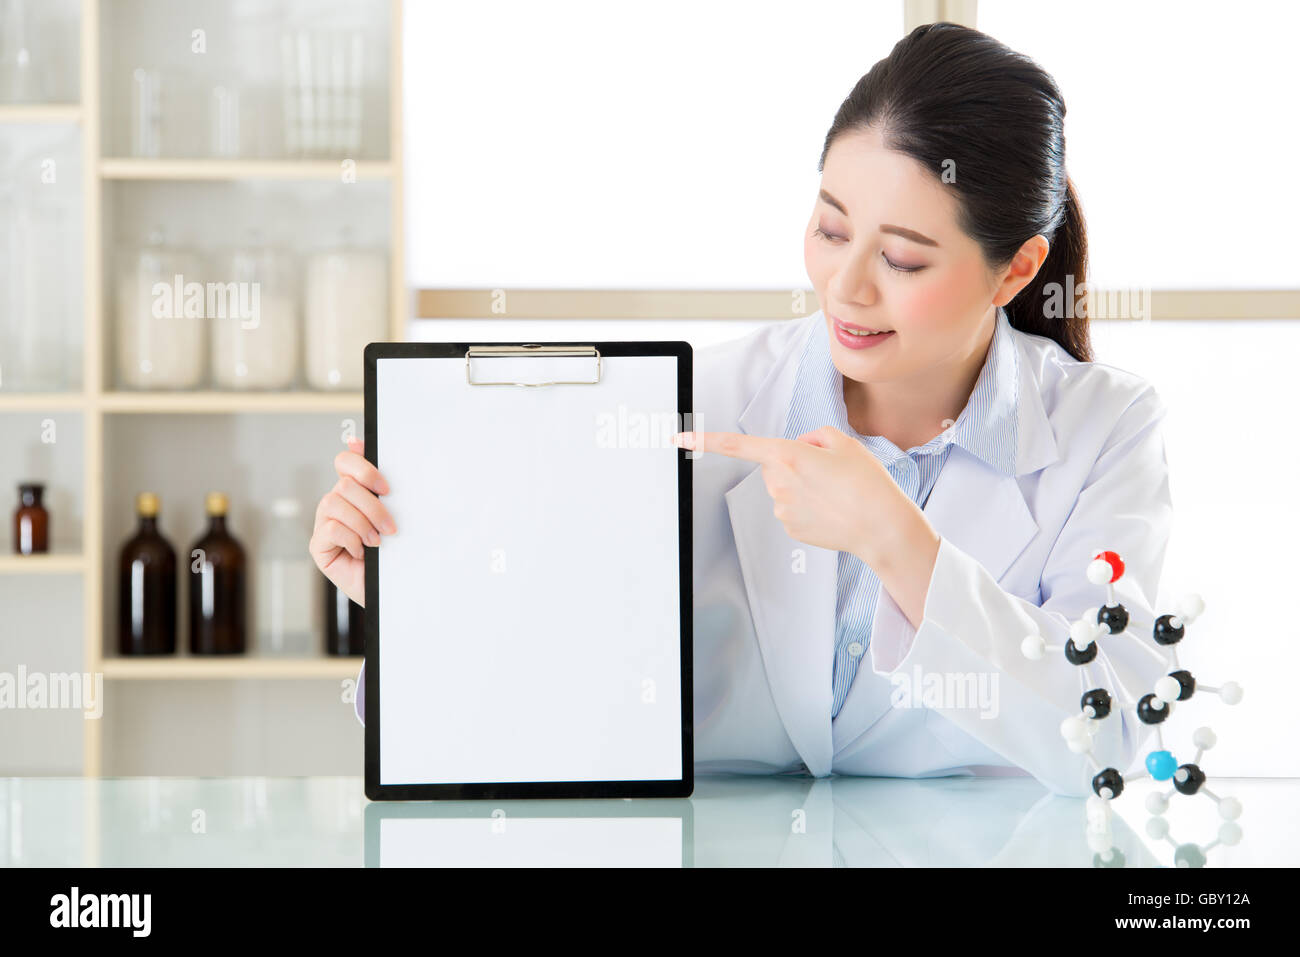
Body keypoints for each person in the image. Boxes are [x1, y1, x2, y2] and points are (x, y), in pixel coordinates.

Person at [310, 22, 1172, 798]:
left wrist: (895, 539)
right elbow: (537, 710)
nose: (846, 286)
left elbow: (1108, 738)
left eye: (904, 259)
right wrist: (423, 602)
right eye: (832, 230)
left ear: (1018, 269)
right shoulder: (687, 408)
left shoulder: (1106, 428)